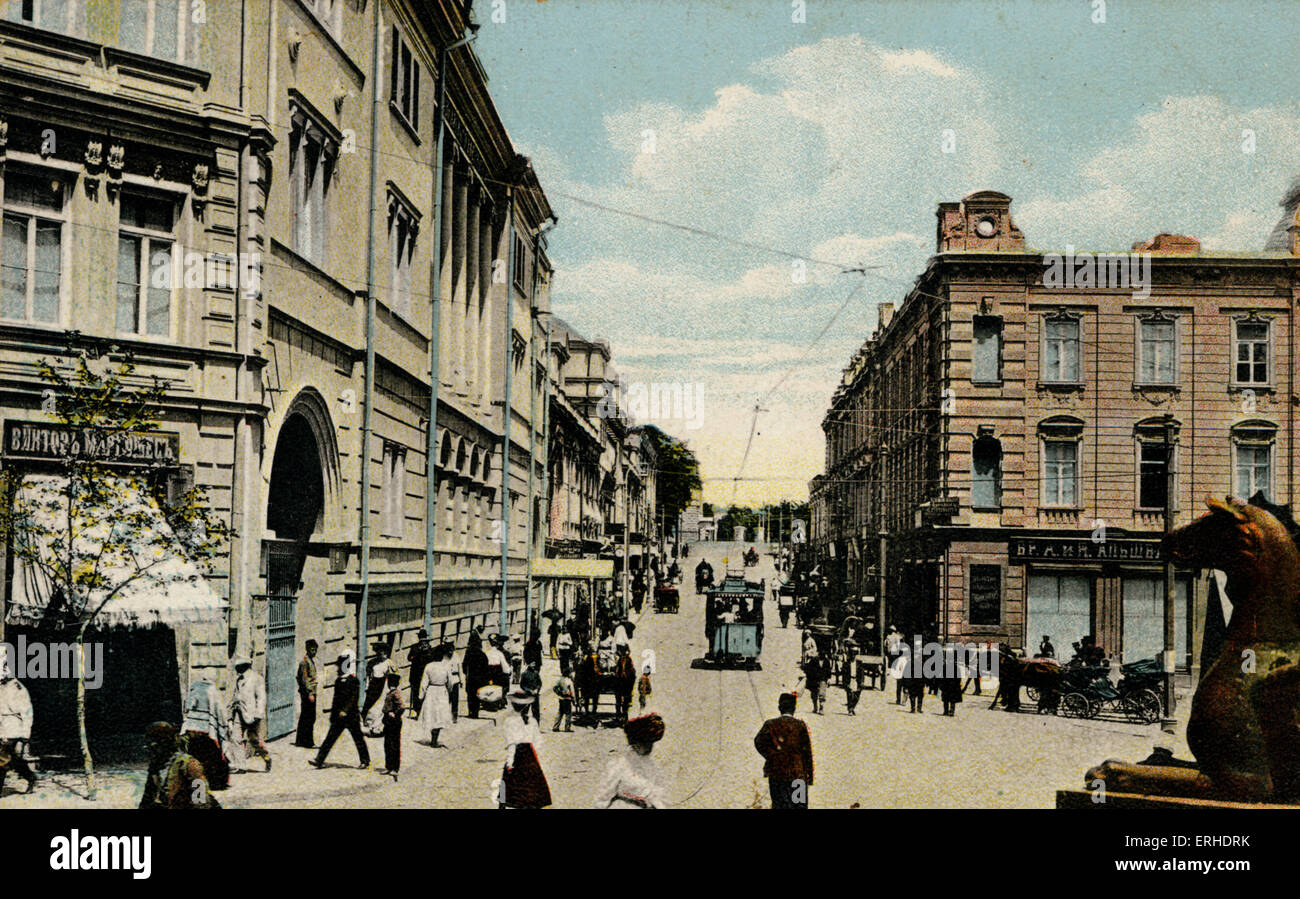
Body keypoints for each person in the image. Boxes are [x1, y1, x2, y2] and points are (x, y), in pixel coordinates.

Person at [594, 713, 668, 808]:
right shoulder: (619, 765)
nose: (649, 747)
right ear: (634, 743)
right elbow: (602, 797)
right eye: (645, 743)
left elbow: (660, 796)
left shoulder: (653, 767)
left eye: (651, 743)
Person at [312, 650, 371, 769]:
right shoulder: (338, 681)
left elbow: (353, 699)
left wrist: (345, 710)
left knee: (358, 738)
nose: (338, 668)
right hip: (338, 717)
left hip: (351, 716)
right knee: (330, 737)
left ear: (346, 666)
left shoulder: (353, 681)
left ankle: (365, 760)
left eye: (340, 666)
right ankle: (319, 759)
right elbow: (335, 699)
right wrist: (333, 714)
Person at [753, 693, 813, 810]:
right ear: (794, 709)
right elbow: (807, 752)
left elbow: (758, 742)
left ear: (779, 708)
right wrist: (809, 775)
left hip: (777, 774)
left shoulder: (770, 724)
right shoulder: (800, 725)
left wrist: (771, 756)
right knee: (799, 806)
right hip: (798, 775)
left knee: (779, 805)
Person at [140, 722, 219, 809]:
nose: (149, 750)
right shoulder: (155, 767)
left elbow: (201, 801)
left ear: (165, 743)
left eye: (154, 745)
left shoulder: (188, 765)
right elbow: (147, 799)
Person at [500, 689, 552, 809]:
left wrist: (510, 762)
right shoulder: (532, 721)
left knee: (509, 790)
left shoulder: (510, 721)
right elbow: (538, 742)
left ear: (513, 706)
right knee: (531, 791)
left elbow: (511, 743)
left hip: (517, 756)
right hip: (530, 757)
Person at [180, 679, 232, 790]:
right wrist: (224, 724)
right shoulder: (212, 690)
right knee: (212, 758)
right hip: (206, 730)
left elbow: (187, 707)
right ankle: (215, 783)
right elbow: (220, 710)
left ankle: (195, 783)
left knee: (195, 756)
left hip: (191, 728)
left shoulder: (193, 688)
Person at [0, 647, 36, 796]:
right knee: (12, 760)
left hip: (12, 727)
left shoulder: (17, 688)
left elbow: (27, 711)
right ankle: (30, 776)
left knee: (2, 758)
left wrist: (25, 733)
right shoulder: (1, 687)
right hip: (2, 726)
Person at [231, 658, 270, 772]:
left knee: (254, 740)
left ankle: (266, 757)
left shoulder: (256, 679)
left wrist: (258, 714)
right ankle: (241, 766)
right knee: (235, 738)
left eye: (238, 666)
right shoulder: (239, 679)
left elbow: (261, 698)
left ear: (245, 666)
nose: (236, 668)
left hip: (252, 715)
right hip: (239, 712)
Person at [418, 645, 456, 748]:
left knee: (432, 714)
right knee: (440, 714)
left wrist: (421, 695)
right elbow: (450, 682)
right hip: (441, 690)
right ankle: (434, 739)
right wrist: (449, 691)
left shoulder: (428, 666)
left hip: (431, 691)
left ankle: (433, 738)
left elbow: (424, 682)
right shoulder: (446, 666)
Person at [378, 671, 404, 780]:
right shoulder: (391, 692)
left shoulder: (396, 693)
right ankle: (388, 767)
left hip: (394, 722)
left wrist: (395, 713)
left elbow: (402, 707)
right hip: (388, 722)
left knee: (394, 745)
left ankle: (395, 768)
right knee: (387, 744)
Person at [295, 640, 319, 747]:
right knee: (309, 717)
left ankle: (301, 741)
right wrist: (309, 693)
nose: (314, 652)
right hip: (308, 693)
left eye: (315, 650)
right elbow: (304, 679)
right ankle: (308, 742)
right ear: (307, 649)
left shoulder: (310, 660)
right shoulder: (305, 662)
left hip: (310, 692)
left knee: (306, 716)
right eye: (312, 650)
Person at [407, 630, 436, 716]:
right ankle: (417, 711)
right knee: (416, 693)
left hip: (426, 674)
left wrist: (427, 651)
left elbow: (432, 659)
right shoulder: (414, 647)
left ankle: (424, 710)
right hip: (415, 675)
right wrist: (418, 652)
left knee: (425, 693)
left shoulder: (430, 648)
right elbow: (409, 658)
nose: (423, 642)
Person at [463, 629, 488, 718]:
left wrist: (465, 673)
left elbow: (464, 665)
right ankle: (475, 712)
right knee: (477, 695)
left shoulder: (468, 652)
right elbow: (485, 667)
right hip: (479, 678)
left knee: (470, 695)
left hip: (471, 677)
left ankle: (471, 711)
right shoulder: (482, 654)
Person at [362, 646, 390, 719]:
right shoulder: (372, 662)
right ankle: (364, 717)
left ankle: (378, 720)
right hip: (373, 683)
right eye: (379, 652)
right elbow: (368, 675)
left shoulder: (388, 662)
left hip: (383, 683)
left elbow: (393, 674)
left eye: (383, 652)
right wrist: (367, 685)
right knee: (369, 701)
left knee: (380, 702)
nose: (381, 654)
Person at [552, 664, 575, 732]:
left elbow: (554, 687)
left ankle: (555, 727)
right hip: (567, 699)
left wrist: (559, 693)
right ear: (568, 673)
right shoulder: (569, 681)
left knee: (560, 712)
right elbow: (572, 691)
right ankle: (567, 727)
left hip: (561, 699)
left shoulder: (560, 679)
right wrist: (573, 699)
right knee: (568, 714)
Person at [885, 626, 904, 704]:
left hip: (890, 652)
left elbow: (886, 644)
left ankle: (898, 699)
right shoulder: (897, 637)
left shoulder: (888, 636)